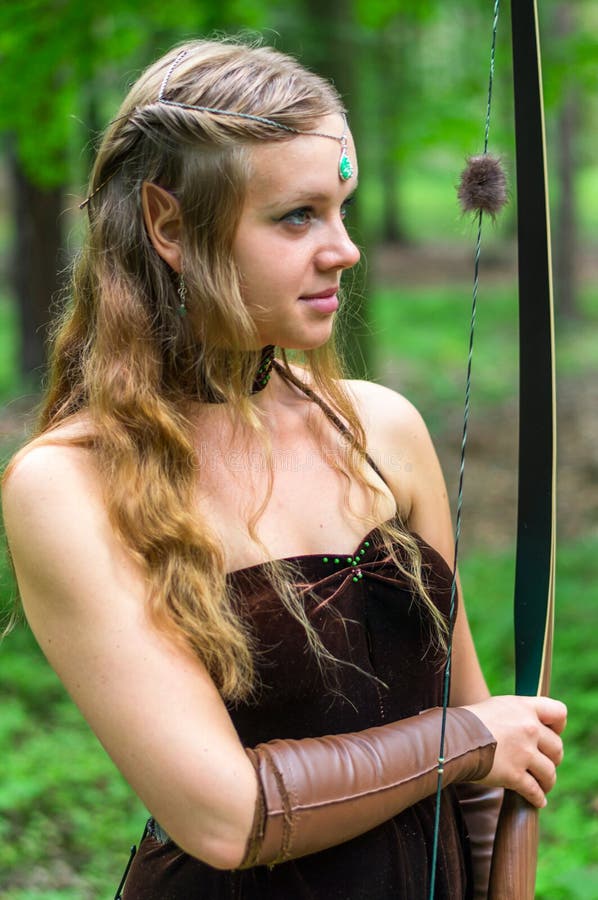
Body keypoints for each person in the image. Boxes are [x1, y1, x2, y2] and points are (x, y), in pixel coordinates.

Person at [2, 38, 566, 900]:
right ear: (169, 226)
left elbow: (489, 757)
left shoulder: (380, 428)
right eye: (297, 216)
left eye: (342, 209)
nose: (345, 249)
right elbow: (225, 817)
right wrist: (465, 742)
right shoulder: (70, 484)